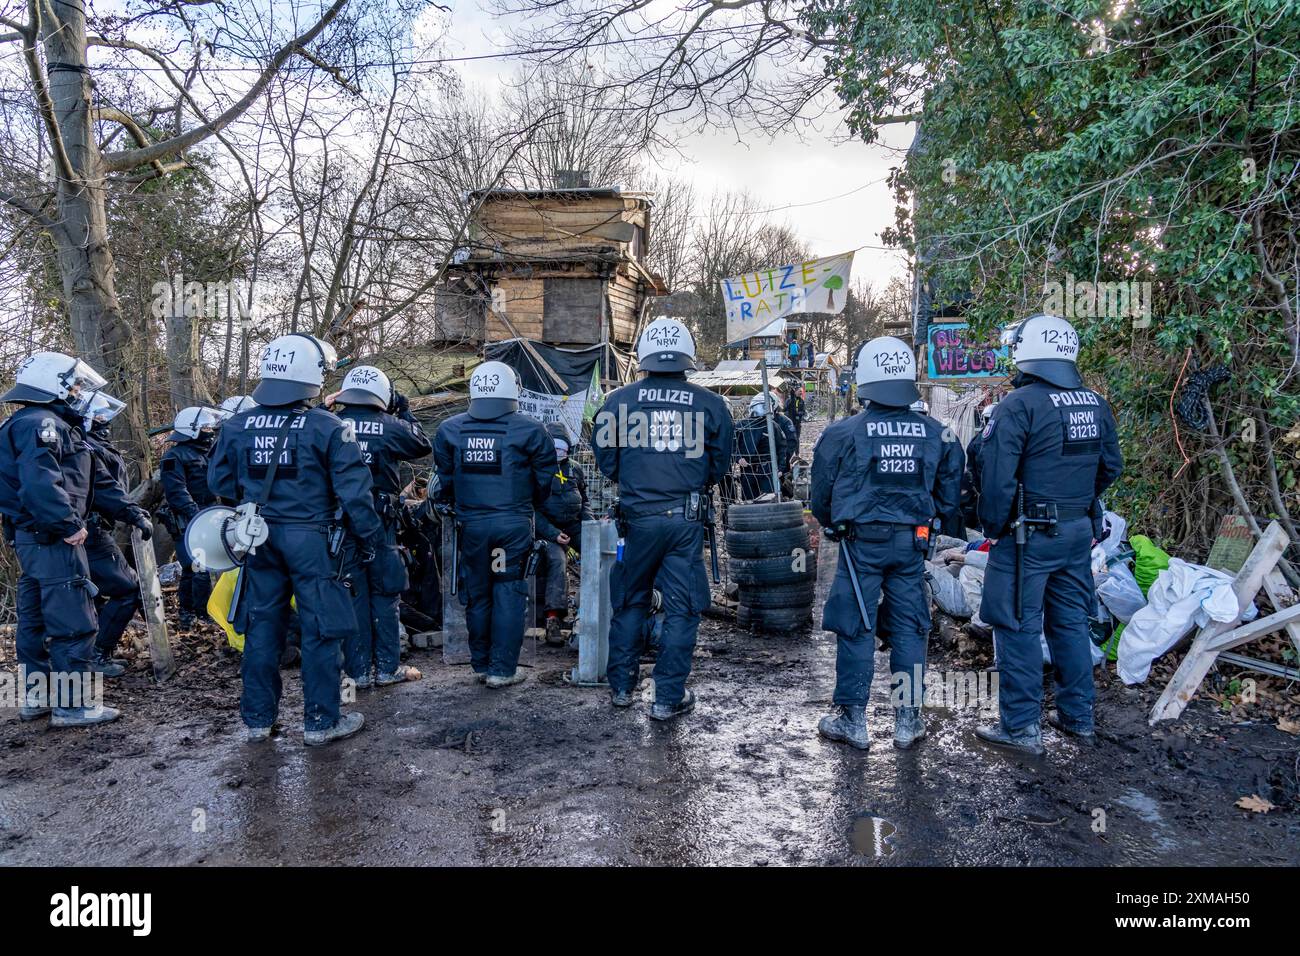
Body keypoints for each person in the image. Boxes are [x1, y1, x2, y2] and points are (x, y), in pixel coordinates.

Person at [208, 333, 398, 746]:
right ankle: (320, 722)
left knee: (261, 626)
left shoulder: (237, 424)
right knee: (321, 628)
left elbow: (218, 480)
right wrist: (367, 539)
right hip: (313, 541)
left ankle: (258, 721)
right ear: (310, 375)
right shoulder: (329, 427)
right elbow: (355, 495)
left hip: (257, 536)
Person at [975, 314, 1123, 756]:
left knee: (1016, 625)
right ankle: (1078, 717)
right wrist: (1080, 503)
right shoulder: (1095, 403)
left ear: (1026, 354)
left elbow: (997, 477)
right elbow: (1111, 466)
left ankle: (1021, 727)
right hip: (1078, 532)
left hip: (1027, 537)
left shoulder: (1018, 406)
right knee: (1071, 623)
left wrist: (994, 528)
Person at [810, 337, 964, 751]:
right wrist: (935, 523)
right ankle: (907, 720)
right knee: (911, 626)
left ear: (864, 379)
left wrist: (831, 524)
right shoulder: (939, 434)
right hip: (912, 543)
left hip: (860, 543)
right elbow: (952, 492)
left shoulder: (843, 432)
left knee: (856, 624)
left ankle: (852, 719)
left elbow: (820, 493)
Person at [594, 318, 733, 719]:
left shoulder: (618, 402)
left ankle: (621, 687)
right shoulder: (710, 404)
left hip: (635, 522)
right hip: (684, 524)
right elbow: (719, 465)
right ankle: (667, 697)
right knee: (682, 609)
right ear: (687, 357)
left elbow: (606, 461)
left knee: (629, 602)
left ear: (644, 356)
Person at [0, 353, 149, 726]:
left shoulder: (34, 424)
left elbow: (93, 484)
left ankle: (37, 697)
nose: (80, 391)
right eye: (75, 384)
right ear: (55, 385)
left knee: (34, 620)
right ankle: (74, 705)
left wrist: (131, 512)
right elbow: (41, 483)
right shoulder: (43, 424)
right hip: (53, 539)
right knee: (72, 620)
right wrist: (68, 525)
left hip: (33, 539)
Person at [432, 361, 553, 688]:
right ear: (512, 389)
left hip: (471, 525)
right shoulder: (531, 430)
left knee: (479, 594)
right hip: (512, 523)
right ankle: (502, 669)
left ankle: (482, 664)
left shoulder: (449, 429)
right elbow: (546, 484)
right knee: (509, 593)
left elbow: (444, 482)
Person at [329, 365, 432, 688]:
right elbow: (422, 444)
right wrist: (404, 409)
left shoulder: (328, 422)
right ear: (383, 395)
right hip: (378, 521)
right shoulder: (389, 425)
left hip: (339, 523)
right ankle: (387, 668)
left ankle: (357, 673)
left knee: (351, 592)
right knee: (385, 591)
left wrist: (325, 404)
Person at [81, 391, 145, 677]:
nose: (104, 420)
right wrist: (133, 514)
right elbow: (107, 490)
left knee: (93, 594)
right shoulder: (87, 448)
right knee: (128, 590)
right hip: (90, 530)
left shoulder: (87, 445)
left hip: (89, 528)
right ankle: (97, 654)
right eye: (99, 415)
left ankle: (91, 655)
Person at [161, 405, 223, 629]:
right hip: (187, 520)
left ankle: (205, 612)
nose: (210, 430)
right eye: (205, 427)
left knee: (207, 568)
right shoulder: (174, 457)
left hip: (209, 516)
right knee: (195, 569)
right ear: (192, 429)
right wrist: (195, 514)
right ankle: (190, 613)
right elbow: (176, 492)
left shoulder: (208, 452)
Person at [534, 422, 592, 646]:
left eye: (563, 448)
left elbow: (584, 501)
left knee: (596, 553)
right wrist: (552, 533)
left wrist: (589, 525)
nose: (559, 453)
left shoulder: (574, 468)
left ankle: (593, 611)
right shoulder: (537, 470)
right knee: (557, 560)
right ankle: (553, 619)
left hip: (574, 525)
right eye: (554, 448)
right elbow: (531, 509)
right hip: (547, 531)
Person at [734, 393, 788, 500]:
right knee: (749, 501)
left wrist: (781, 468)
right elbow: (733, 445)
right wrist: (738, 458)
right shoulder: (742, 425)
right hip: (748, 469)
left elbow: (782, 447)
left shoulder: (773, 426)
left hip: (767, 469)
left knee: (769, 499)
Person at [959, 402, 998, 534]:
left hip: (984, 492)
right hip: (992, 491)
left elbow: (971, 469)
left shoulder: (977, 440)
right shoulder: (1005, 438)